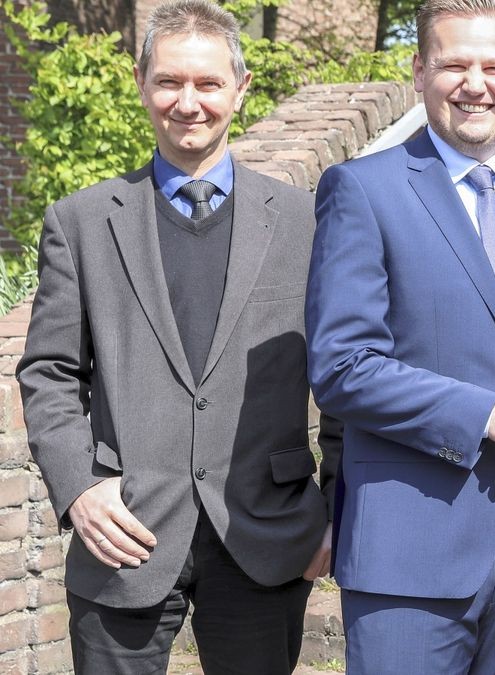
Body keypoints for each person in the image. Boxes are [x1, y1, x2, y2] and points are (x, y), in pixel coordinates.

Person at [15, 1, 341, 672]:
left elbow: (345, 374)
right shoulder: (80, 223)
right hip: (121, 535)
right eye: (169, 81)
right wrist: (79, 488)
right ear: (141, 83)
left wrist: (340, 509)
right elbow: (49, 372)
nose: (188, 102)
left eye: (208, 83)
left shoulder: (307, 224)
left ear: (241, 89)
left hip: (265, 533)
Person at [303, 0, 495, 671]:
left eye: (494, 66)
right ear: (420, 72)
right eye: (454, 65)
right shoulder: (362, 191)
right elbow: (343, 366)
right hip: (408, 558)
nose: (475, 84)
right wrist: (488, 416)